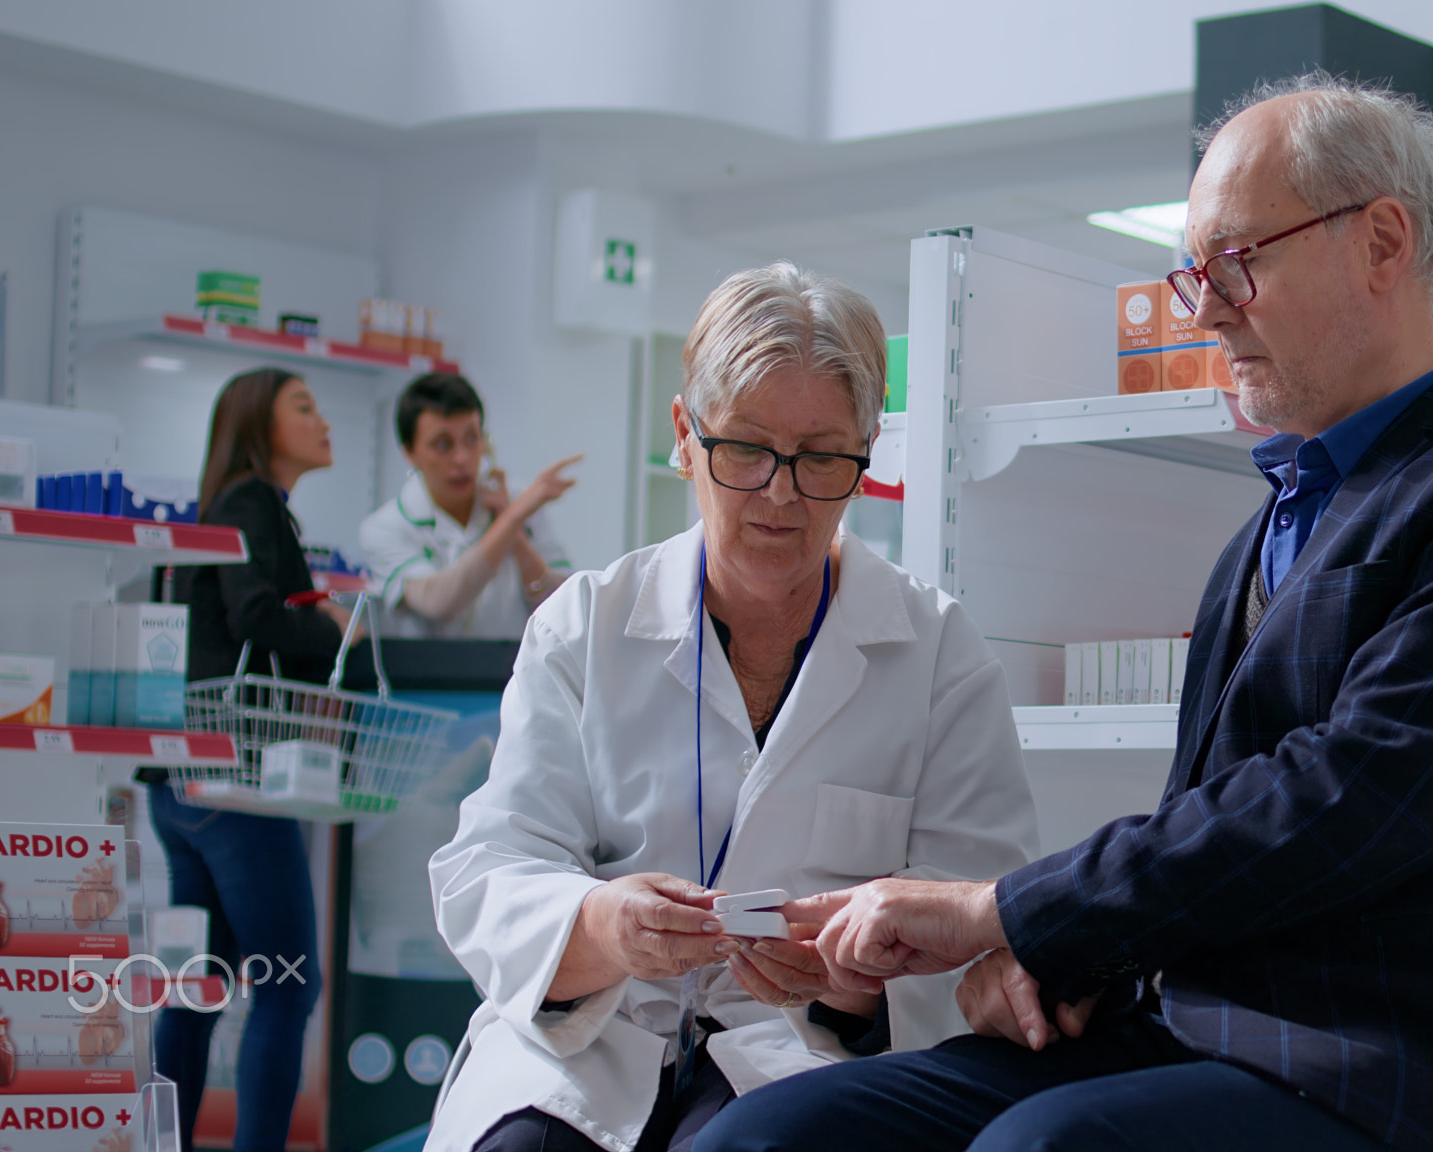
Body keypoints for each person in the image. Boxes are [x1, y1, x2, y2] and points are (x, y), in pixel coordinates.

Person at [698, 74, 1433, 1152]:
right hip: (1191, 1024)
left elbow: (1351, 799)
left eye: (1235, 263)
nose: (1205, 307)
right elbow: (1213, 821)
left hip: (1402, 1057)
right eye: (1192, 274)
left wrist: (1005, 914)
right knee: (771, 1136)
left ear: (1383, 241)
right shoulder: (1264, 530)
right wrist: (1060, 958)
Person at [425, 262, 1039, 1152]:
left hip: (803, 1056)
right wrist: (602, 927)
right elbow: (491, 866)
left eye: (821, 456)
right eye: (746, 448)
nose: (781, 493)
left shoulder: (938, 652)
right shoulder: (587, 625)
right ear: (685, 434)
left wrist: (851, 983)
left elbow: (979, 922)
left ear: (867, 451)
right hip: (593, 1040)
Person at [143, 367, 340, 1152]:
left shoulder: (242, 507)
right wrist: (331, 628)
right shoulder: (253, 503)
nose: (323, 420)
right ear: (260, 424)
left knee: (201, 984)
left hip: (185, 786)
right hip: (234, 782)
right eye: (304, 406)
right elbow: (257, 613)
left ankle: (167, 1143)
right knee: (291, 984)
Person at [359, 373, 580, 639]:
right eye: (443, 444)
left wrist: (514, 534)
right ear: (409, 452)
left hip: (512, 674)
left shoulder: (515, 499)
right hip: (427, 676)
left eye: (473, 439)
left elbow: (564, 604)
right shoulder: (386, 528)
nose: (462, 458)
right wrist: (510, 519)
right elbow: (438, 601)